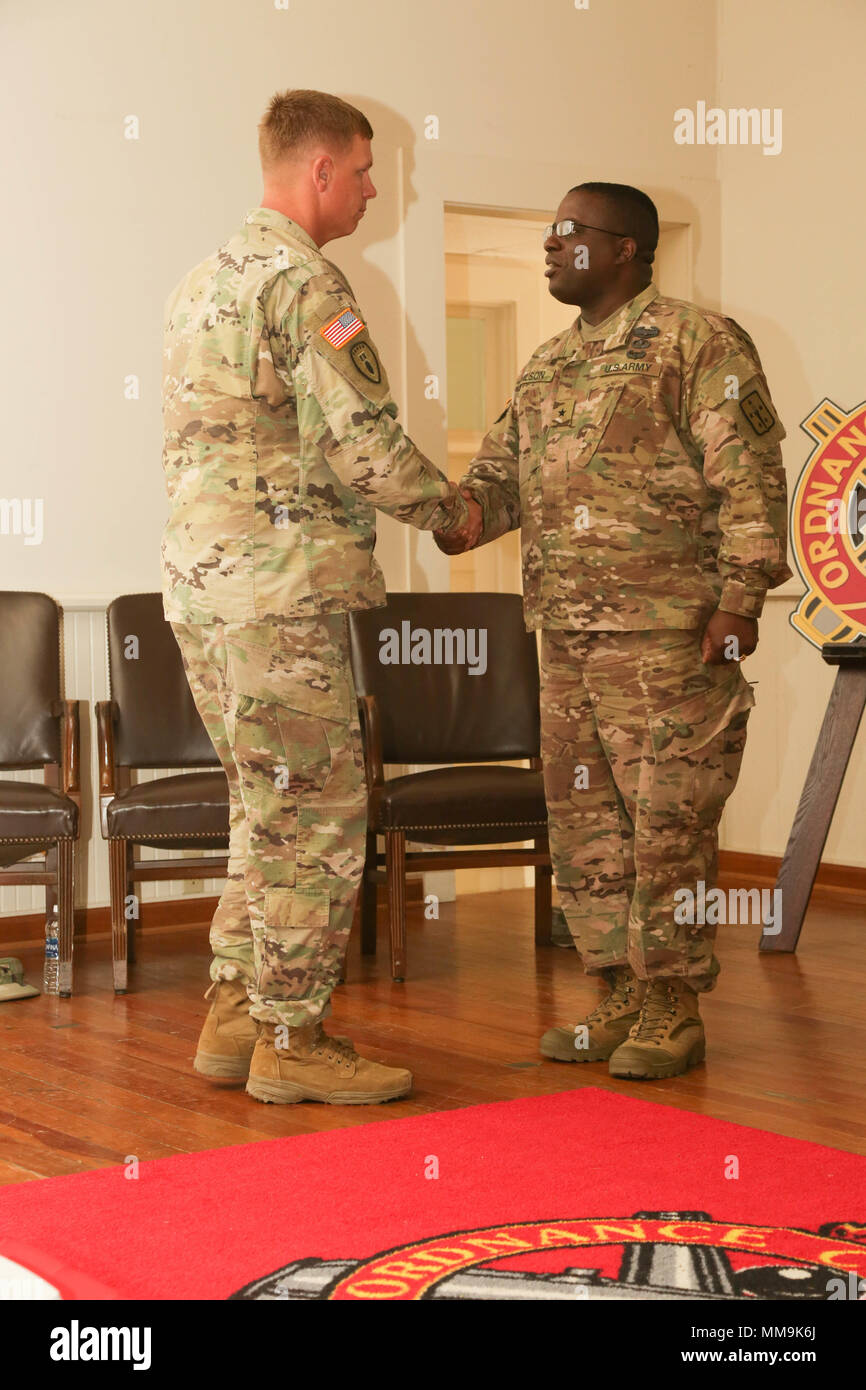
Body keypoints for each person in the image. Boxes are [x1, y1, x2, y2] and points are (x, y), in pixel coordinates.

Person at [161, 89, 482, 1105]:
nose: (375, 186)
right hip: (280, 595)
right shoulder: (306, 284)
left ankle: (233, 1009)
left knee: (265, 809)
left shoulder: (201, 281)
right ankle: (293, 1039)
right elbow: (361, 447)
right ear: (319, 171)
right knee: (320, 810)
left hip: (203, 593)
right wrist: (450, 511)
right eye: (365, 166)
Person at [436, 181, 790, 1080]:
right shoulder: (547, 366)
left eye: (569, 232)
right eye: (550, 234)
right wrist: (454, 514)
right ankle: (617, 990)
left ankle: (673, 1001)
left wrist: (742, 599)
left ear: (627, 247)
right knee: (587, 819)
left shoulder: (696, 342)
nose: (551, 247)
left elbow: (749, 477)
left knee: (670, 818)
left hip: (670, 634)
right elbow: (499, 478)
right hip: (565, 636)